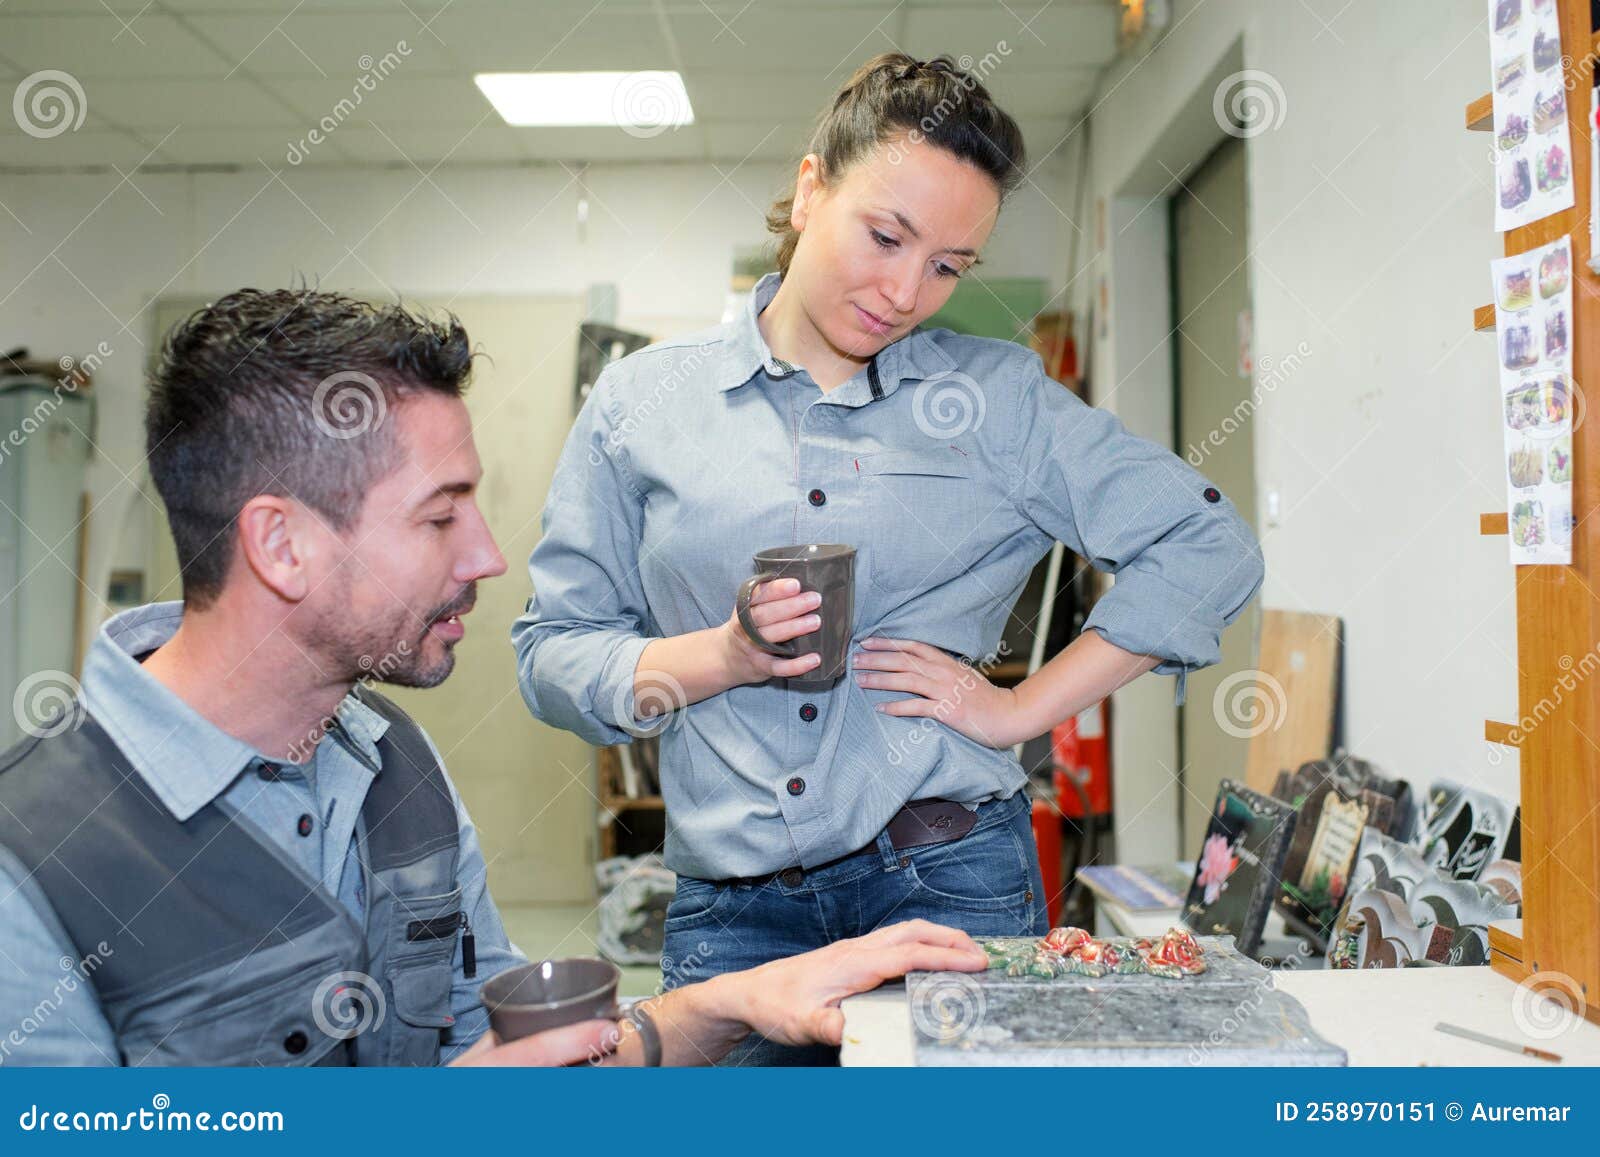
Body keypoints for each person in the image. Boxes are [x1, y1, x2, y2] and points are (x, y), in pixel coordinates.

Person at [0, 289, 989, 1068]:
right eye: (440, 517)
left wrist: (739, 996)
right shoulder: (32, 857)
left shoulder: (394, 769)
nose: (485, 554)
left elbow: (528, 1063)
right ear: (281, 544)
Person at [512, 53, 1266, 1065]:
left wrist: (1017, 708)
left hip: (948, 879)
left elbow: (1206, 544)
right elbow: (552, 651)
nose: (908, 290)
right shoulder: (640, 404)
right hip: (734, 917)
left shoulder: (997, 400)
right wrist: (720, 658)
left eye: (949, 265)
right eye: (886, 236)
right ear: (812, 185)